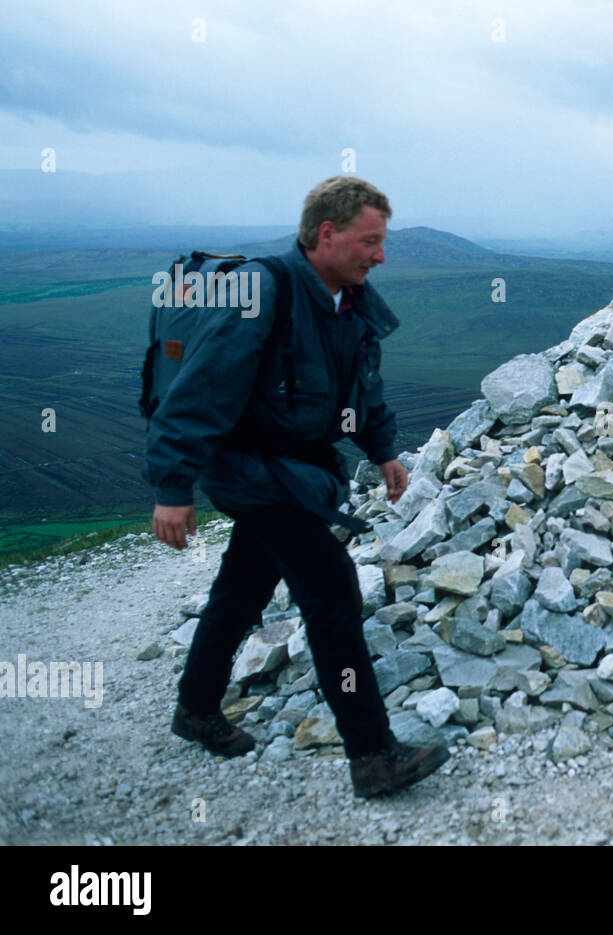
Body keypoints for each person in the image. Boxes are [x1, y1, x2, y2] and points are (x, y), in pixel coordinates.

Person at [145, 176, 448, 798]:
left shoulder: (348, 300)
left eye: (382, 242)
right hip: (247, 470)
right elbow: (200, 391)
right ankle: (373, 755)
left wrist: (382, 449)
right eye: (370, 241)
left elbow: (361, 387)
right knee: (330, 585)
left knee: (244, 585)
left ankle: (195, 709)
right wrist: (174, 487)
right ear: (327, 234)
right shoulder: (260, 291)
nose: (380, 255)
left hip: (293, 470)